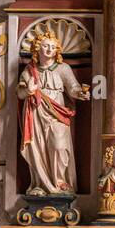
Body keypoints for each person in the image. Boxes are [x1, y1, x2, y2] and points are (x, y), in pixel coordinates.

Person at [18, 31, 91, 194]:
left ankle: (60, 181)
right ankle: (42, 184)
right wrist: (28, 90)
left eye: (52, 46)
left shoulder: (63, 68)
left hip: (57, 113)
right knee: (40, 149)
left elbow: (72, 87)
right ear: (37, 48)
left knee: (59, 145)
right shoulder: (30, 70)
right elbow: (20, 93)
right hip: (36, 114)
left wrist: (80, 93)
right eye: (45, 46)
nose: (49, 49)